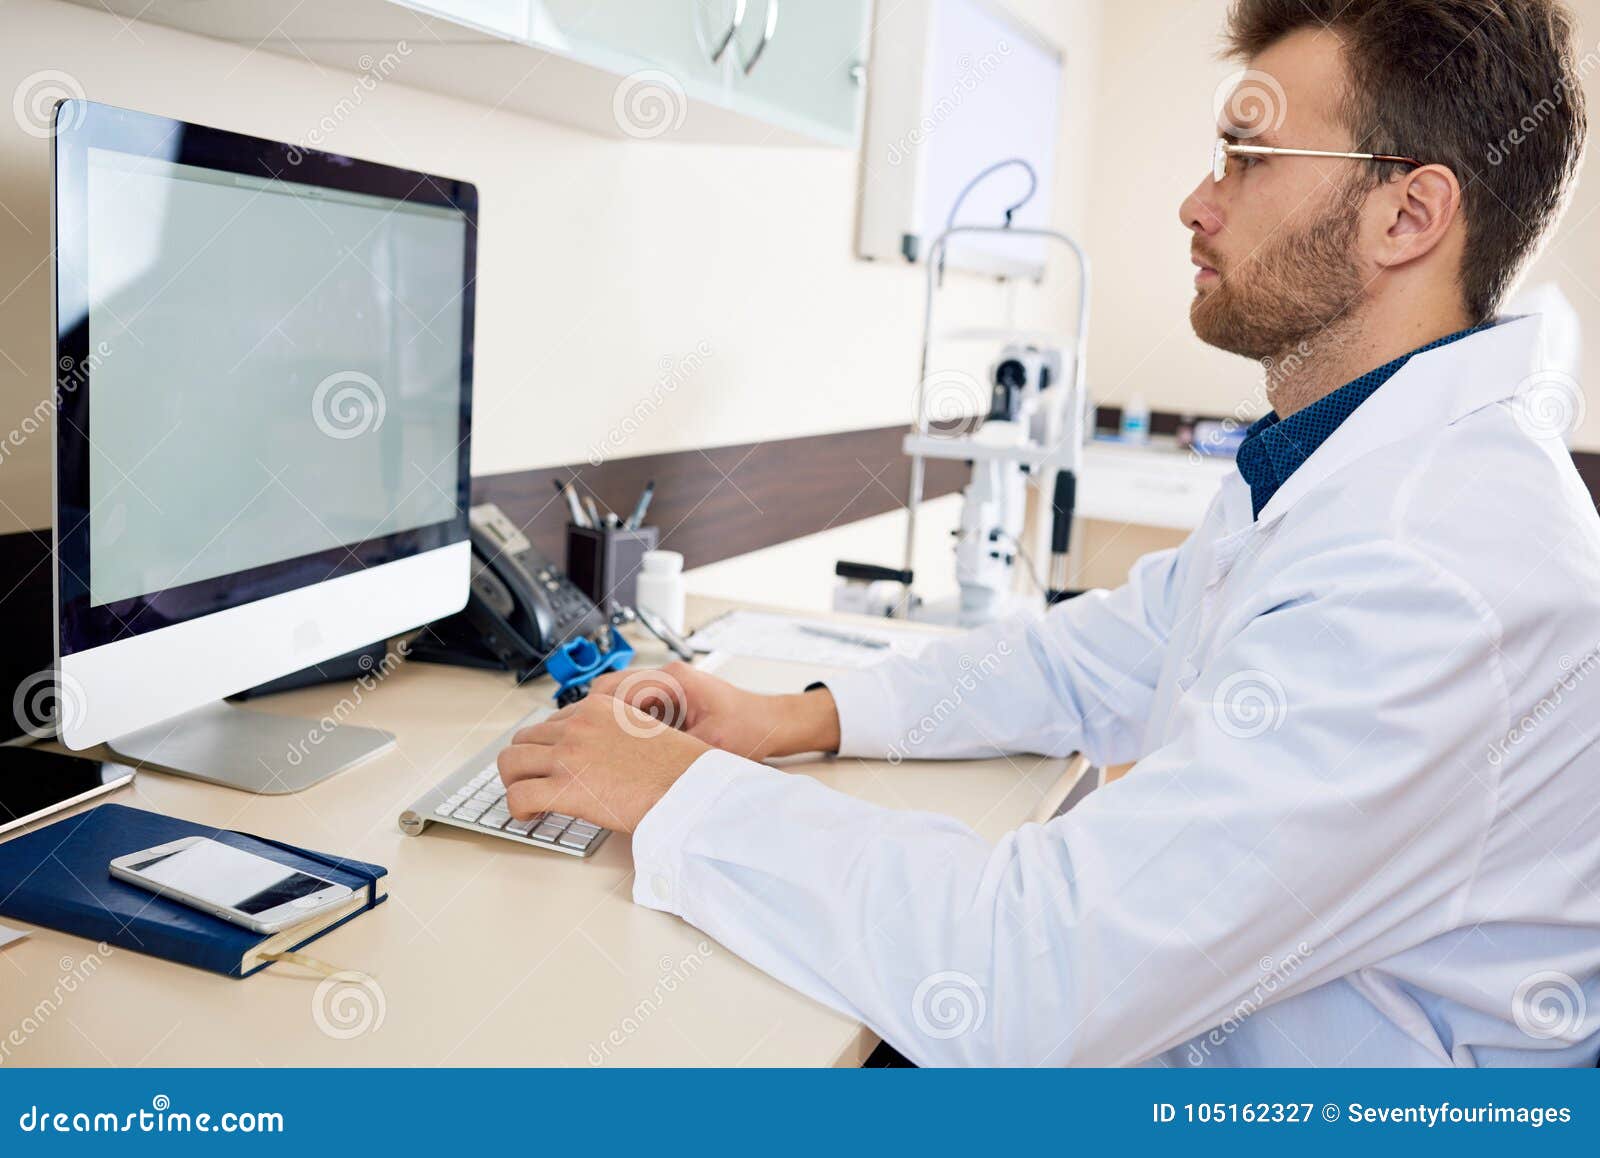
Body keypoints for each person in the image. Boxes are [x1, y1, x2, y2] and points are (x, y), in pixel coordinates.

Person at [498, 0, 1600, 1066]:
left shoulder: (1438, 568)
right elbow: (1106, 651)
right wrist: (792, 717)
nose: (1195, 203)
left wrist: (673, 795)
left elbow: (1026, 985)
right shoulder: (1347, 459)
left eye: (1246, 159)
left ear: (1407, 217)